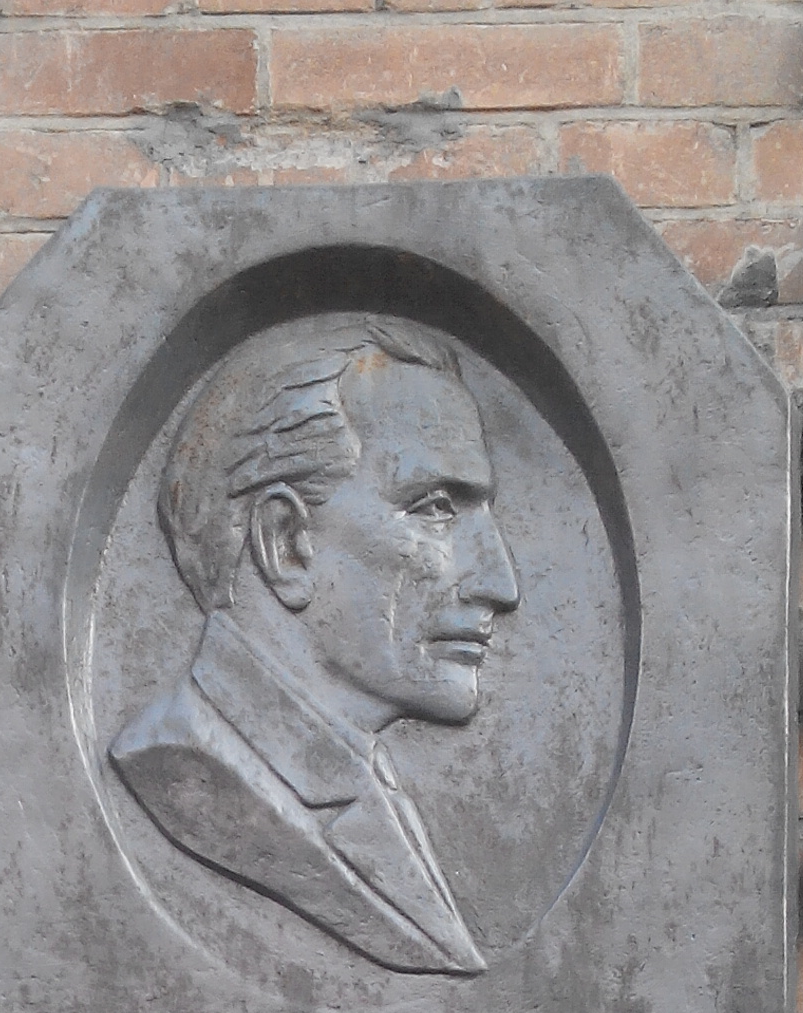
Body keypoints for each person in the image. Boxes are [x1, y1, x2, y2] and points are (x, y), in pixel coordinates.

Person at [110, 314, 520, 976]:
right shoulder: (188, 769)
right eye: (438, 507)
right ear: (287, 544)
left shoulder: (362, 772)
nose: (502, 584)